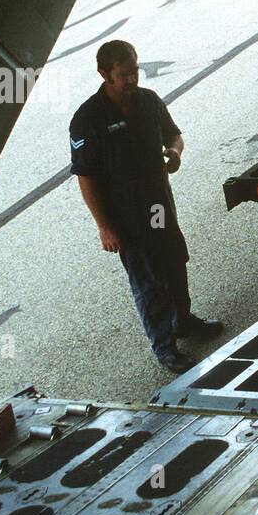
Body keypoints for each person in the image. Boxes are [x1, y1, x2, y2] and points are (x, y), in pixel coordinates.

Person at [69, 40, 222, 373]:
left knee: (174, 261)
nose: (132, 80)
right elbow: (86, 177)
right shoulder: (87, 119)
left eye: (135, 71)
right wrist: (104, 226)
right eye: (123, 75)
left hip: (159, 205)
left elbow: (174, 135)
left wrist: (176, 152)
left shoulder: (148, 101)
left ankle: (183, 321)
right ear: (104, 74)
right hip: (126, 216)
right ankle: (165, 347)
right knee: (148, 280)